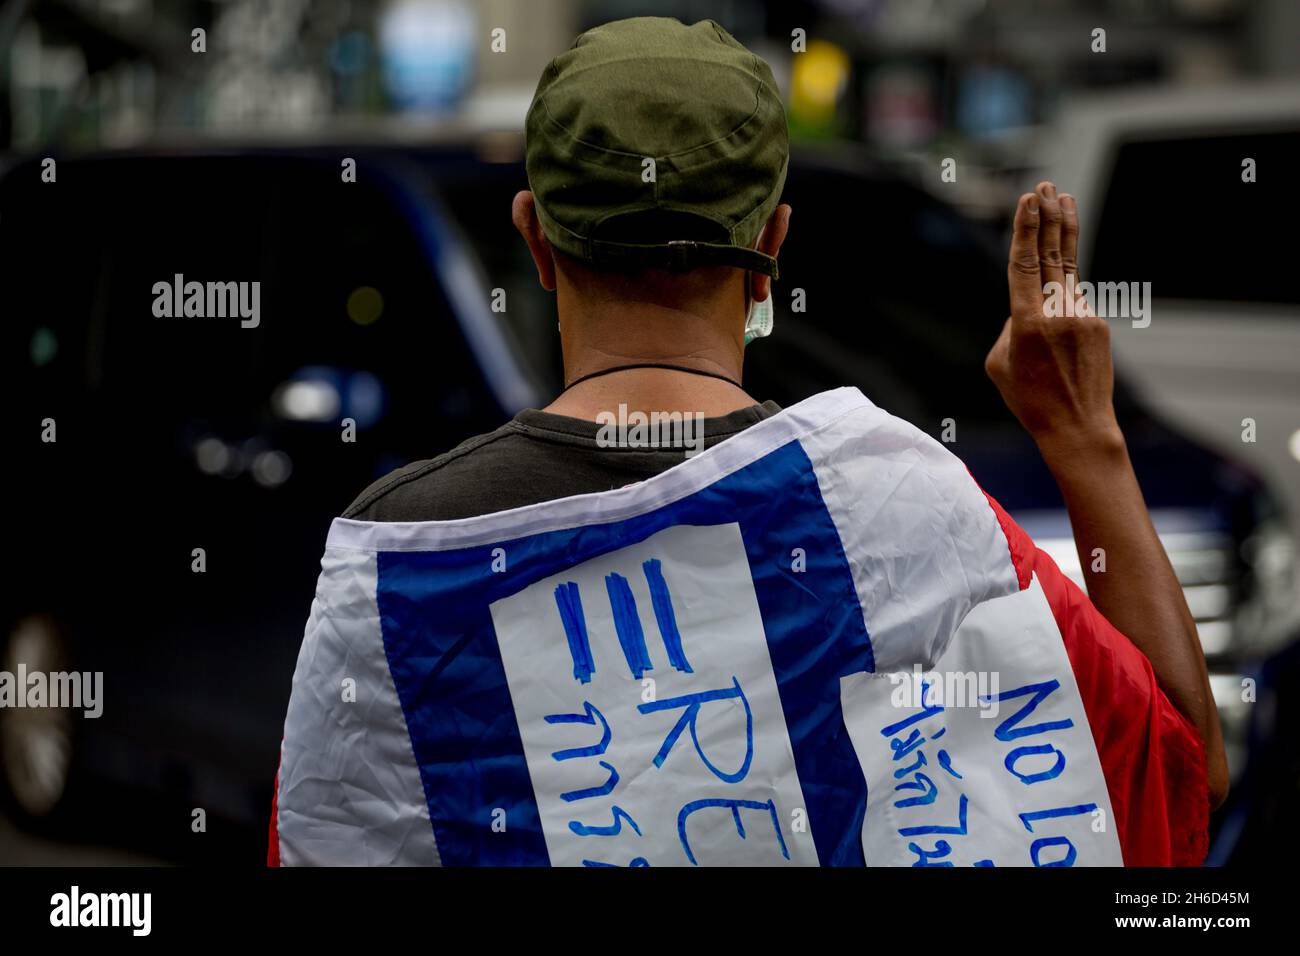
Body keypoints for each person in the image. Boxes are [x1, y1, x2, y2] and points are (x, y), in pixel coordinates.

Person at [269, 17, 1226, 867]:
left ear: (535, 239)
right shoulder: (900, 503)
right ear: (771, 247)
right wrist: (1084, 438)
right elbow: (1171, 771)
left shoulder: (392, 559)